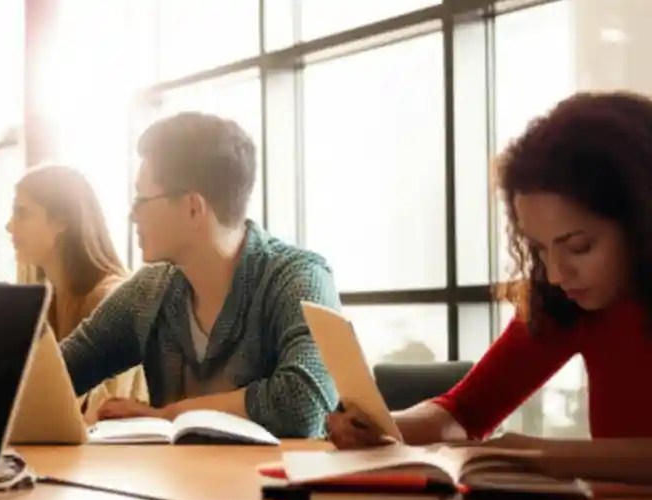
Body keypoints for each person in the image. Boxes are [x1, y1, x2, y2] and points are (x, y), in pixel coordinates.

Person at [327, 91, 652, 451]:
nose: (556, 274)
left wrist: (543, 456)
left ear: (640, 221)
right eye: (540, 249)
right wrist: (380, 428)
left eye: (579, 247)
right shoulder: (564, 302)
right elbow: (463, 413)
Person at [61, 112, 340, 438]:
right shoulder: (149, 292)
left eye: (141, 200)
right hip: (174, 488)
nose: (131, 214)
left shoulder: (298, 278)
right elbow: (55, 376)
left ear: (194, 207)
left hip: (273, 486)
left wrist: (167, 416)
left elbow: (304, 405)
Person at [6, 164, 147, 412]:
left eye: (22, 213)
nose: (9, 226)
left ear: (62, 220)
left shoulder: (111, 298)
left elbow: (101, 416)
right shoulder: (44, 303)